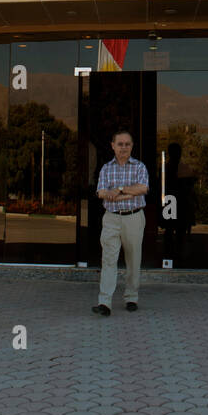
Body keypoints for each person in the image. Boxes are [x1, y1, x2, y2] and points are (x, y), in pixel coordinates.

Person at [92, 129, 148, 316]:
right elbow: (101, 193)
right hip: (111, 218)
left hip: (134, 217)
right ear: (113, 146)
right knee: (108, 259)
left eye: (127, 144)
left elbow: (142, 189)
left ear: (132, 146)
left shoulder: (139, 167)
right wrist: (122, 194)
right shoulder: (106, 168)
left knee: (133, 259)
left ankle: (131, 297)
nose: (123, 147)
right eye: (120, 144)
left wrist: (119, 190)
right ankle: (104, 302)